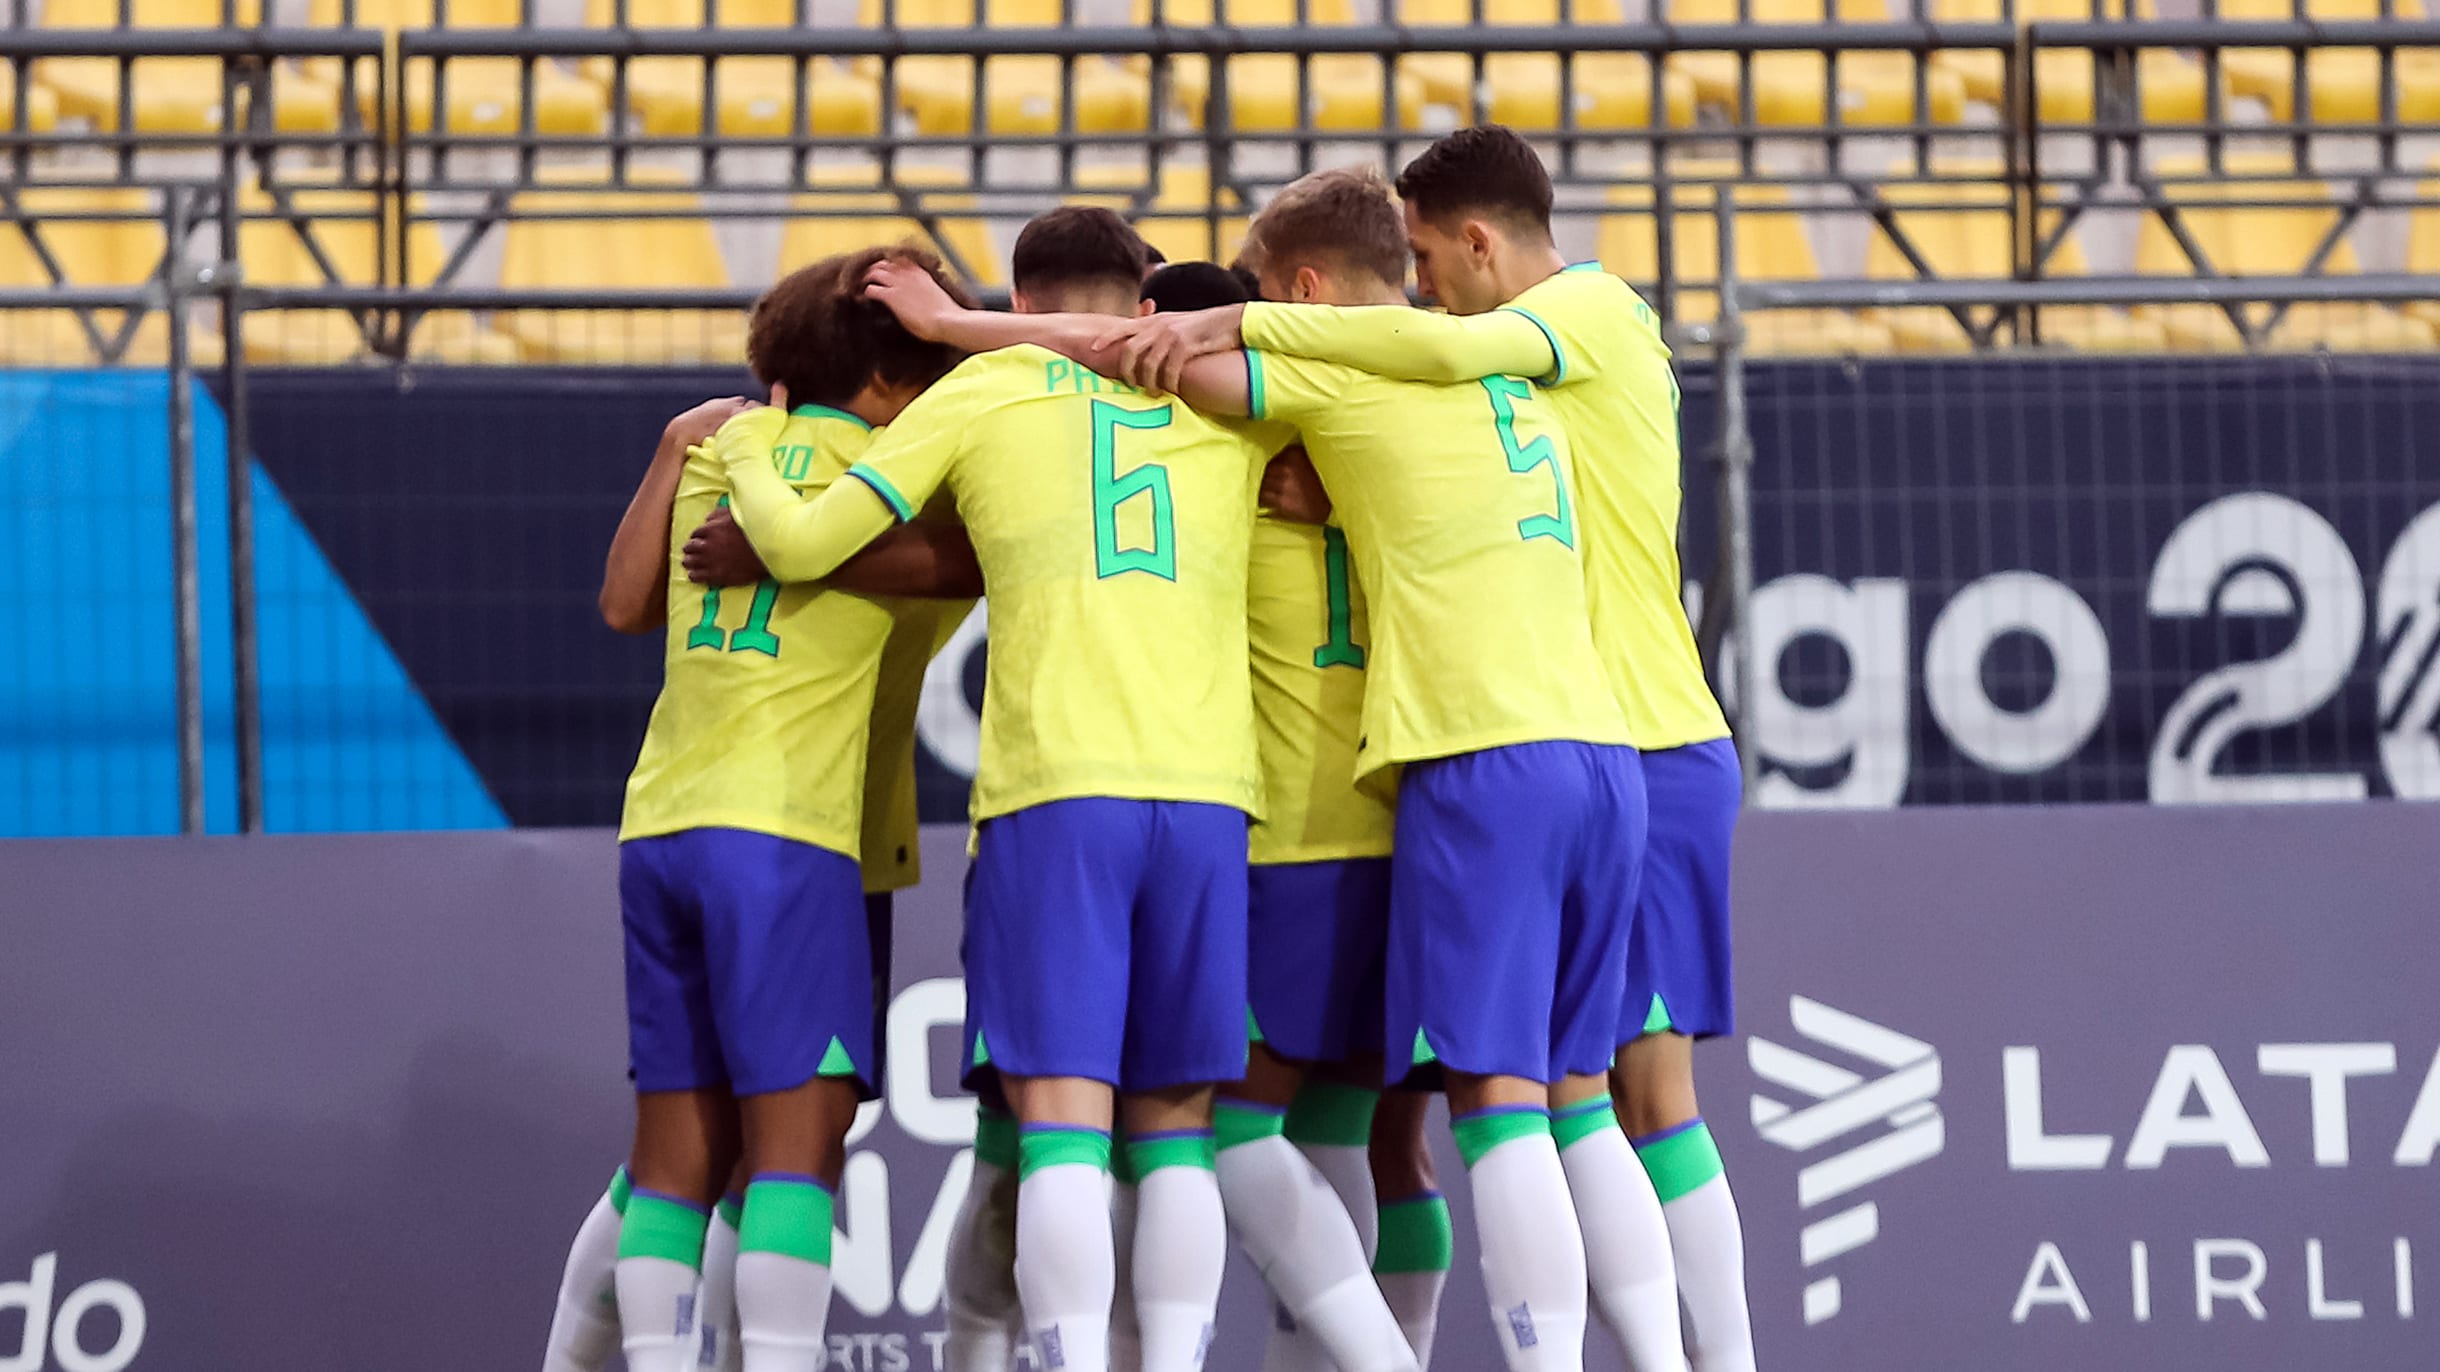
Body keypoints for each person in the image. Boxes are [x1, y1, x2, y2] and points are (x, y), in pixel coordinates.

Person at [875, 166, 1648, 1372]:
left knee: (1204, 1131)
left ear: (1288, 293)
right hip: (1502, 785)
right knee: (1410, 1134)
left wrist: (961, 331)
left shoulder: (1274, 420)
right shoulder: (1503, 371)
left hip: (1299, 828)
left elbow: (1132, 379)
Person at [1106, 124, 1752, 1372]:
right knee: (1552, 1106)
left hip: (1609, 733)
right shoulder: (1506, 380)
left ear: (1472, 237)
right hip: (1602, 742)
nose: (1416, 286)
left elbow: (1428, 350)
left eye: (1422, 255)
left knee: (1607, 1100)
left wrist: (1231, 339)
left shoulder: (1578, 316)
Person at [708, 204, 1291, 1372]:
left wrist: (743, 474)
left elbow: (815, 542)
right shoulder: (1222, 402)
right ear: (1140, 310)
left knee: (1061, 1128)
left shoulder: (982, 391)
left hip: (1054, 795)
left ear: (1015, 310)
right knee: (1176, 1126)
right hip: (1210, 798)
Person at [559, 246, 978, 1372]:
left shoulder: (717, 448)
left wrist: (670, 450)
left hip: (663, 827)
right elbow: (989, 561)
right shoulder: (896, 479)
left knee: (671, 1160)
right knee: (798, 1153)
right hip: (789, 837)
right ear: (894, 381)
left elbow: (620, 603)